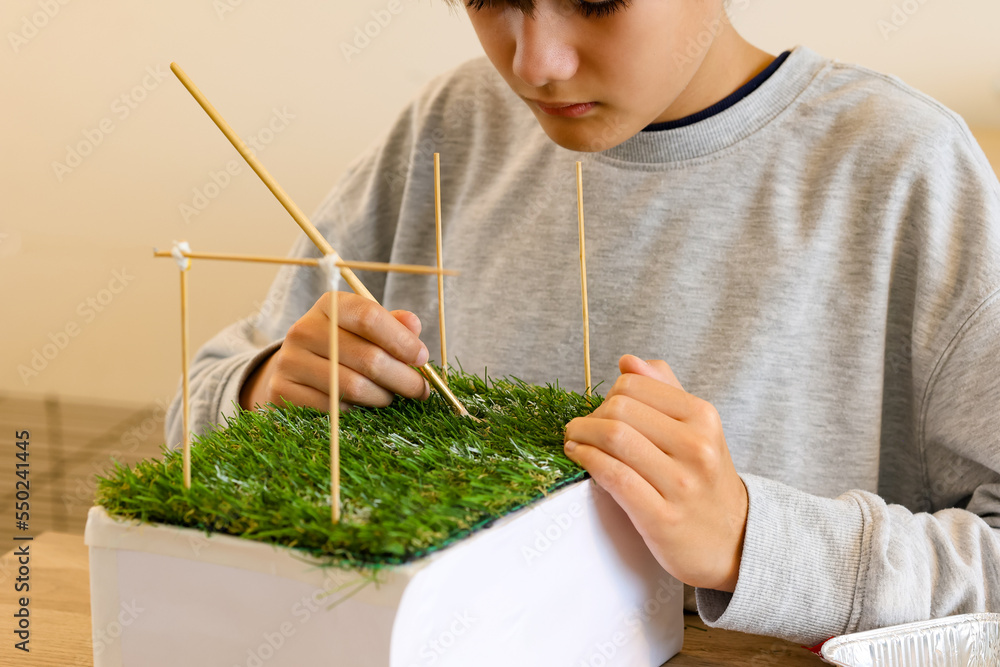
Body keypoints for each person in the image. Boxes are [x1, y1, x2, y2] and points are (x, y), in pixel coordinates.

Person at [166, 0, 1000, 646]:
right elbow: (193, 412)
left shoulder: (903, 169)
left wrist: (753, 539)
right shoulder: (448, 127)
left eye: (596, 1)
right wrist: (261, 391)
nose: (535, 62)